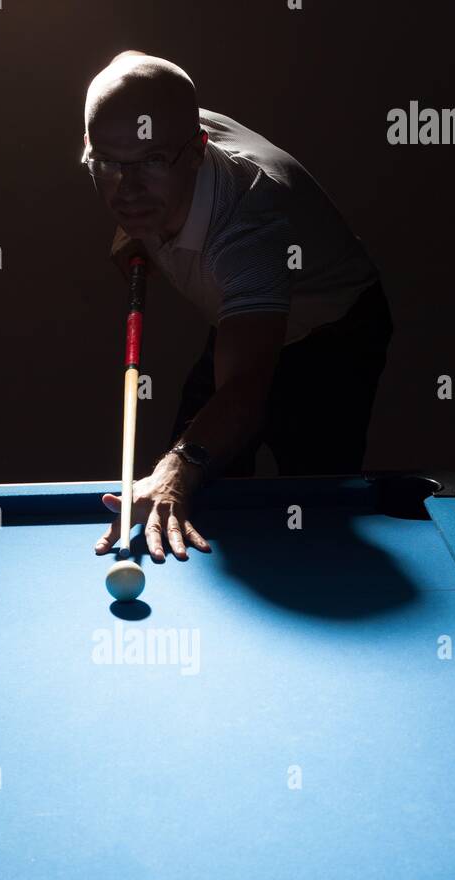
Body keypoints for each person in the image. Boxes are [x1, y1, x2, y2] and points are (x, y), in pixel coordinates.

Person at [82, 50, 394, 566]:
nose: (126, 188)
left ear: (198, 149)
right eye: (109, 164)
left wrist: (178, 469)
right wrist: (140, 229)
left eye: (152, 162)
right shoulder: (125, 128)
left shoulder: (247, 223)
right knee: (200, 469)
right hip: (241, 313)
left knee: (305, 496)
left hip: (332, 332)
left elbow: (247, 389)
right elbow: (126, 72)